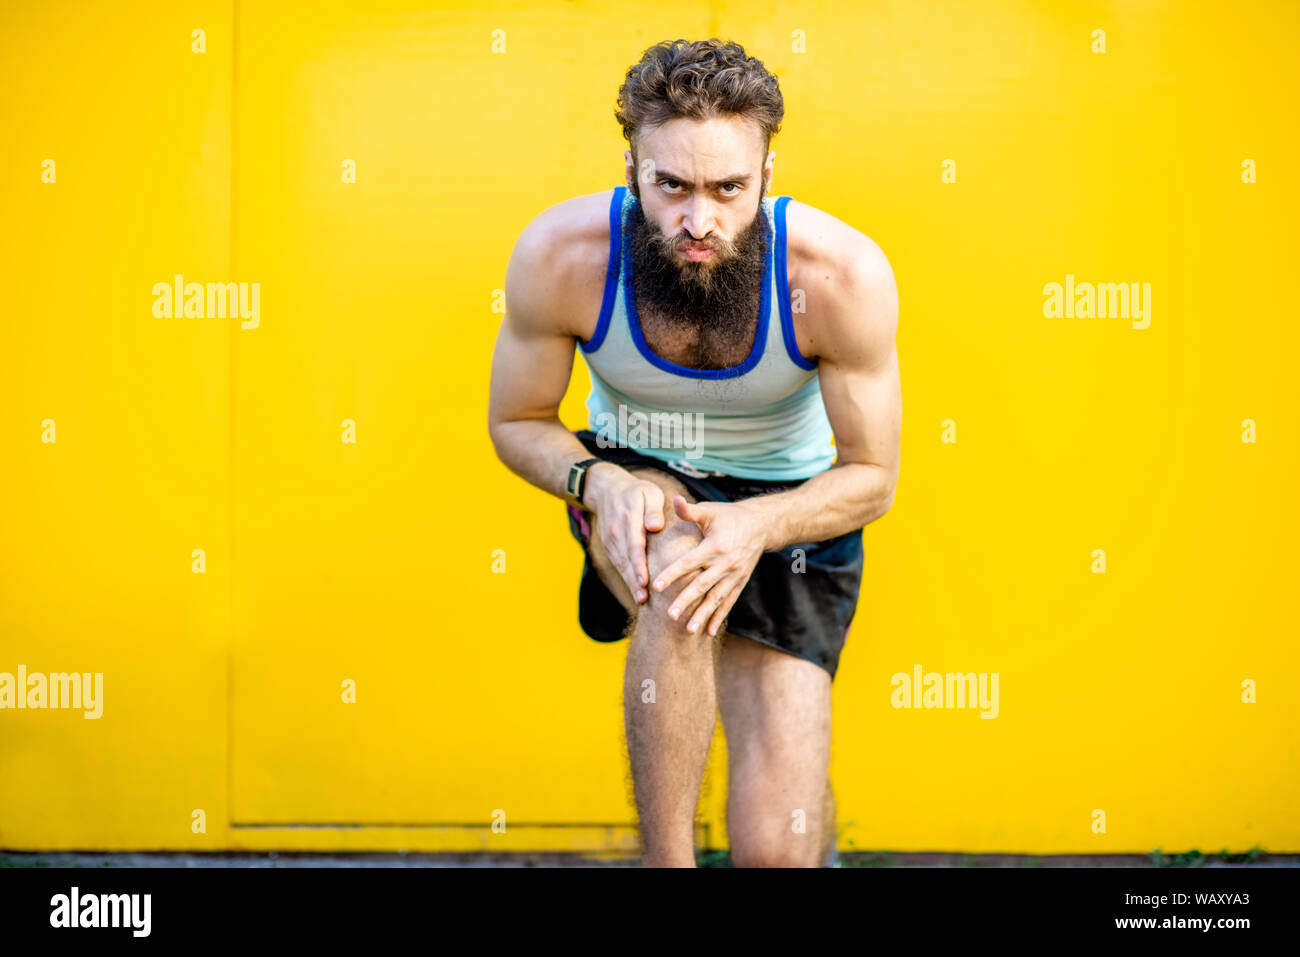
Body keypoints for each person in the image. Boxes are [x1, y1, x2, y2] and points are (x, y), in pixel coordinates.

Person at [487, 38, 901, 867]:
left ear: (768, 179)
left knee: (774, 850)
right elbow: (519, 419)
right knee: (677, 570)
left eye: (727, 189)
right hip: (641, 479)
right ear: (632, 167)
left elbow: (871, 477)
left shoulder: (838, 276)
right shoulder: (562, 256)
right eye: (670, 184)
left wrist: (753, 527)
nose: (697, 220)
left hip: (792, 511)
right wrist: (595, 480)